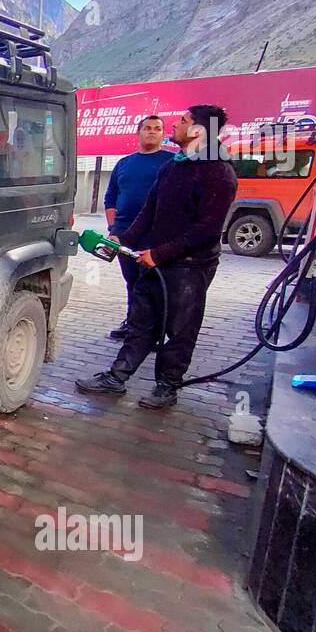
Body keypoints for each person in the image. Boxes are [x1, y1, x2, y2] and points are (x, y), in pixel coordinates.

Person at [76, 105, 237, 409]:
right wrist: (121, 238)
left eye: (183, 122)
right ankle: (116, 377)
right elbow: (149, 211)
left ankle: (167, 386)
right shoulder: (174, 166)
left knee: (180, 327)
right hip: (154, 260)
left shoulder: (217, 171)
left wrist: (160, 253)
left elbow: (207, 229)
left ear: (199, 131)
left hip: (189, 267)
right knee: (140, 321)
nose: (176, 125)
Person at [103, 115, 175, 340]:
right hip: (125, 233)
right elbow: (111, 198)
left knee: (154, 282)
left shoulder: (172, 162)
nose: (152, 132)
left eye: (157, 129)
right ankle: (133, 323)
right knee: (132, 281)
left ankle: (156, 330)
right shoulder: (124, 164)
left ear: (163, 134)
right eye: (147, 128)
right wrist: (113, 229)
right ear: (138, 133)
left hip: (156, 233)